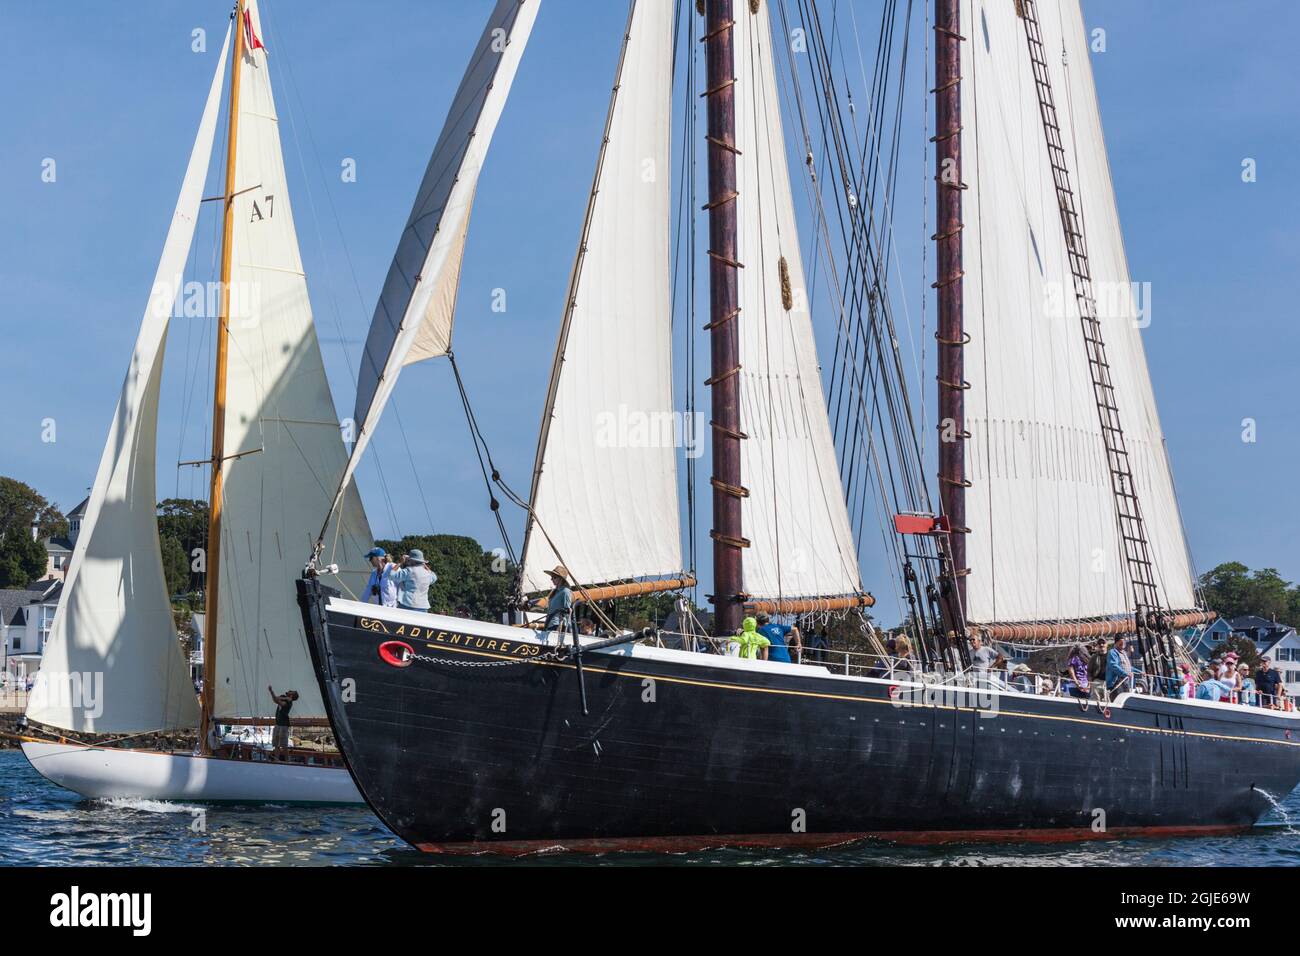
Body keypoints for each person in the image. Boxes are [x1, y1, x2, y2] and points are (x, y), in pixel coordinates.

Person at [539, 566, 574, 632]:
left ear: (561, 579)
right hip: (550, 625)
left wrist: (565, 628)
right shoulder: (555, 592)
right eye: (551, 577)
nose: (551, 579)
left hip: (557, 626)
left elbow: (567, 611)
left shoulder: (565, 591)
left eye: (554, 577)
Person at [268, 686, 299, 760]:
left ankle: (287, 761)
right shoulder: (284, 697)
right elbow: (275, 699)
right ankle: (276, 760)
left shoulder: (289, 702)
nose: (290, 690)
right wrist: (271, 692)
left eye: (291, 691)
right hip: (278, 724)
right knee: (276, 745)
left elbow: (279, 702)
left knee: (284, 745)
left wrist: (285, 699)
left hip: (284, 725)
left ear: (291, 695)